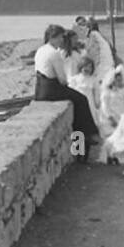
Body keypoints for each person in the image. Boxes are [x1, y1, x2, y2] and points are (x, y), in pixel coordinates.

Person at [34, 24, 101, 156]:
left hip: (40, 89)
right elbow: (62, 79)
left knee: (77, 105)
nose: (61, 41)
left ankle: (80, 146)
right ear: (52, 38)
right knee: (81, 100)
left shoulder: (41, 50)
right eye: (59, 38)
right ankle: (89, 135)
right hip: (52, 89)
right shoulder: (54, 53)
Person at [96, 63, 124, 145]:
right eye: (117, 80)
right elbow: (105, 107)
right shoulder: (106, 93)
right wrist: (110, 118)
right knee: (111, 138)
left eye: (120, 80)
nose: (119, 82)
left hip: (121, 115)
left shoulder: (123, 91)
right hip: (111, 118)